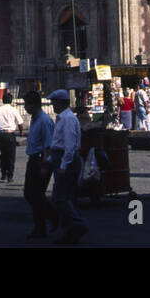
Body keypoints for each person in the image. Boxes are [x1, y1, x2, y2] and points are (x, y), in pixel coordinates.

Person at [47, 89, 88, 243]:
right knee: (69, 197)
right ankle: (70, 231)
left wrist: (63, 165)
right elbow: (58, 142)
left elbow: (70, 146)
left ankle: (77, 225)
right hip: (61, 157)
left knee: (60, 197)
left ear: (62, 102)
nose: (52, 105)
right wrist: (51, 159)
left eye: (54, 102)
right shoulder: (61, 118)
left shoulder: (68, 119)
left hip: (67, 160)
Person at [22, 91, 58, 239]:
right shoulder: (35, 119)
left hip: (40, 161)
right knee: (31, 194)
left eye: (27, 104)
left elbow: (48, 146)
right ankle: (45, 223)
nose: (25, 107)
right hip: (33, 159)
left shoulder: (44, 121)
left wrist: (44, 166)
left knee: (35, 195)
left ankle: (50, 219)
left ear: (34, 104)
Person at [0, 91, 23, 183]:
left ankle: (3, 173)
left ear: (3, 100)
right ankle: (10, 175)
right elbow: (20, 123)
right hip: (10, 134)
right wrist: (21, 132)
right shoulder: (14, 110)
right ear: (11, 101)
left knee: (3, 155)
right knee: (11, 156)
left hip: (1, 134)